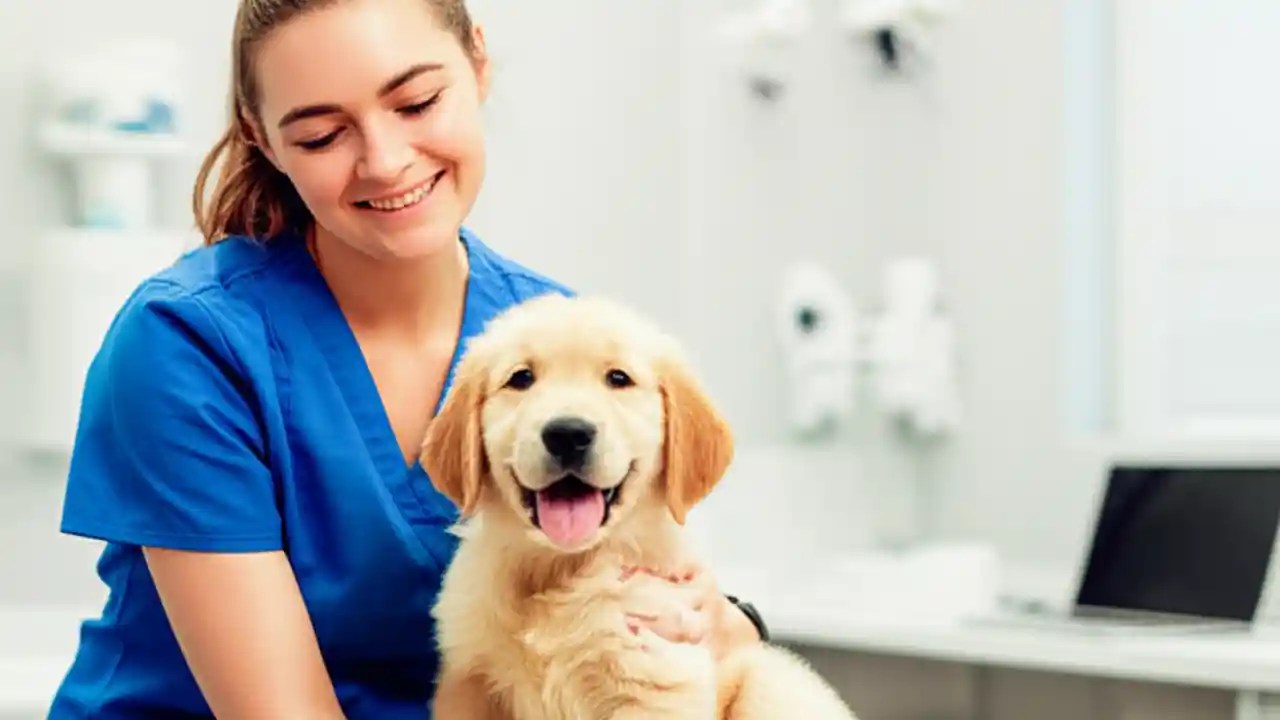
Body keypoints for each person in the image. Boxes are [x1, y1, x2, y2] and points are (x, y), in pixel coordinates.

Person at [48, 0, 766, 717]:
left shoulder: (553, 343)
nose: (386, 162)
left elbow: (648, 605)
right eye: (323, 135)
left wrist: (723, 621)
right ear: (261, 137)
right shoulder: (187, 344)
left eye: (417, 103)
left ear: (478, 63)